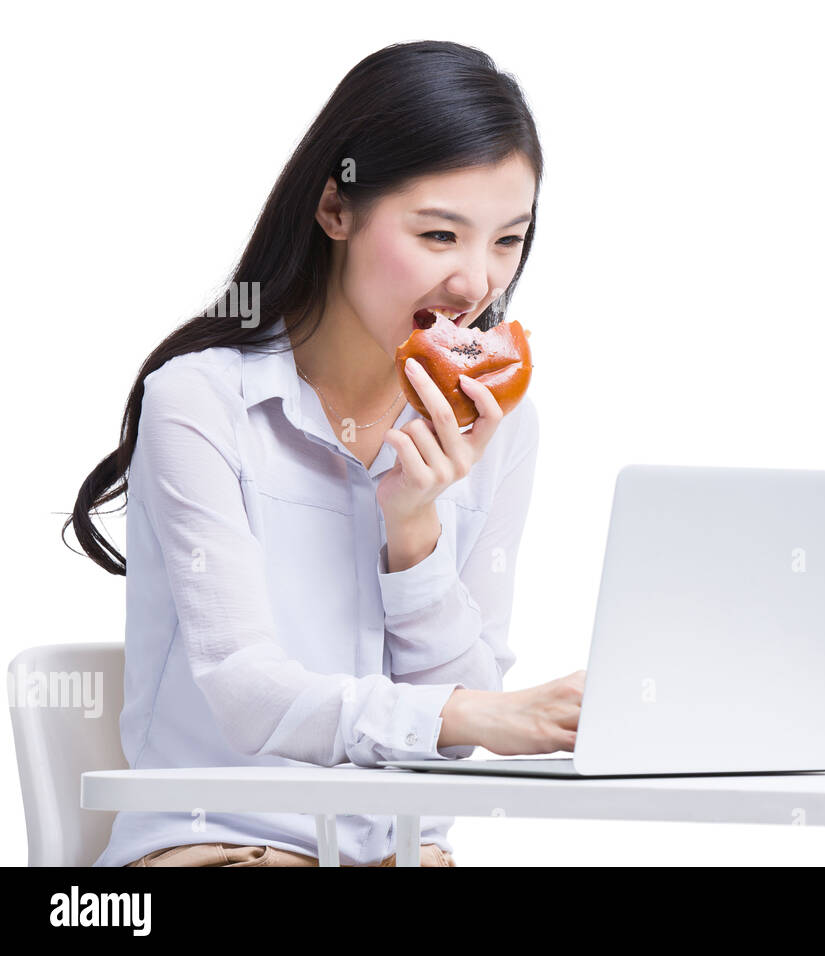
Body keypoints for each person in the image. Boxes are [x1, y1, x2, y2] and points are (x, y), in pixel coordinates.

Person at [65, 40, 584, 868]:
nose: (476, 284)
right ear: (335, 211)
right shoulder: (201, 402)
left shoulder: (499, 426)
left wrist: (413, 532)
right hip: (221, 845)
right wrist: (476, 714)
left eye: (507, 240)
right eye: (440, 234)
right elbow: (244, 688)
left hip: (401, 853)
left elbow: (452, 737)